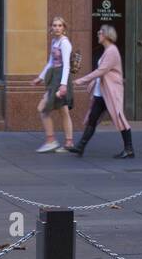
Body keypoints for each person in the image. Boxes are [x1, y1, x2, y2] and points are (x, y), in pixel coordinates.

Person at [67, 24, 134, 159]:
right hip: (101, 92)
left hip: (111, 91)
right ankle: (80, 147)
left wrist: (82, 80)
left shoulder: (112, 51)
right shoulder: (107, 50)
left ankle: (129, 149)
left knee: (119, 118)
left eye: (99, 33)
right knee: (92, 118)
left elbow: (102, 71)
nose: (98, 35)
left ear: (106, 35)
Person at [31, 15, 74, 153]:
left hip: (60, 79)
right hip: (54, 78)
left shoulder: (65, 43)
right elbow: (50, 62)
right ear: (51, 27)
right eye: (54, 25)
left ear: (64, 28)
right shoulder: (54, 41)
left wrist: (63, 85)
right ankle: (68, 143)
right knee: (63, 111)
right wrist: (40, 77)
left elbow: (66, 65)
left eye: (60, 25)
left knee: (43, 108)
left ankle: (51, 141)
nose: (57, 28)